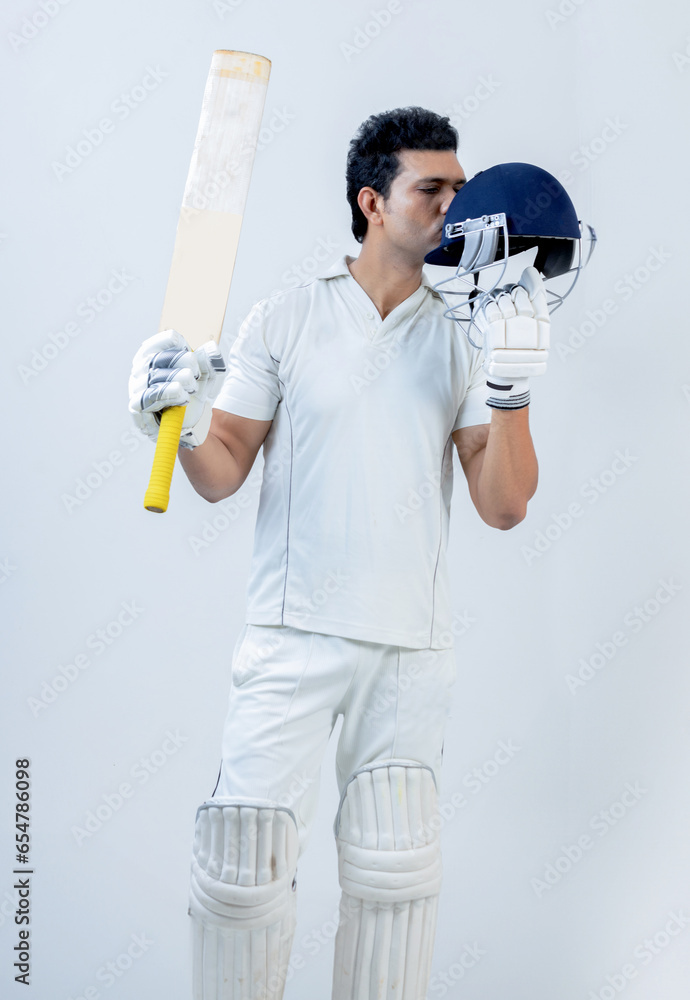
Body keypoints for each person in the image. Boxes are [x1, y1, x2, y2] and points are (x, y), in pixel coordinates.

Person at [129, 106, 542, 1000]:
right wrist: (183, 420)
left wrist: (510, 391)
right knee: (241, 870)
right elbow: (219, 471)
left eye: (459, 190)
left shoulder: (467, 332)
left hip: (409, 648)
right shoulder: (285, 317)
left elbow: (504, 506)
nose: (453, 207)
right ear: (371, 202)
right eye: (431, 189)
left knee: (394, 882)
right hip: (291, 633)